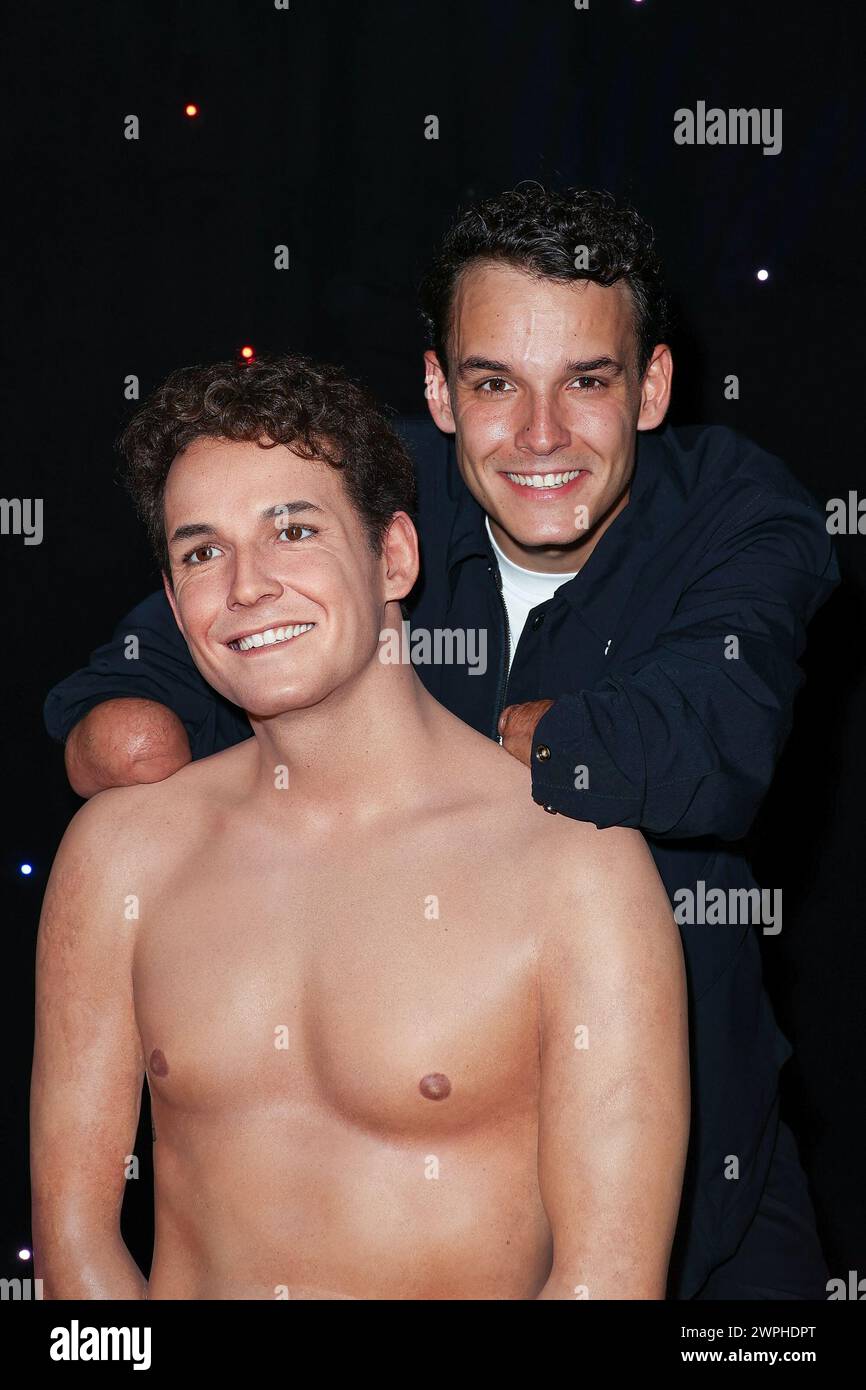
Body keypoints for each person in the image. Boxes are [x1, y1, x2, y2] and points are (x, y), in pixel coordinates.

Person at [43, 185, 839, 1298]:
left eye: (587, 382)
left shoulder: (744, 515)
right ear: (438, 388)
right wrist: (206, 816)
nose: (541, 434)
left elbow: (704, 746)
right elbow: (141, 702)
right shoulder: (346, 489)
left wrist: (433, 775)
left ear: (651, 386)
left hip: (718, 1177)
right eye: (494, 383)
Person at [30, 354, 689, 1300]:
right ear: (175, 607)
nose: (246, 586)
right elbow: (75, 1254)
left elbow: (609, 1283)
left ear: (395, 558)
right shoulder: (119, 853)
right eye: (202, 552)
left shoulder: (576, 863)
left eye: (292, 530)